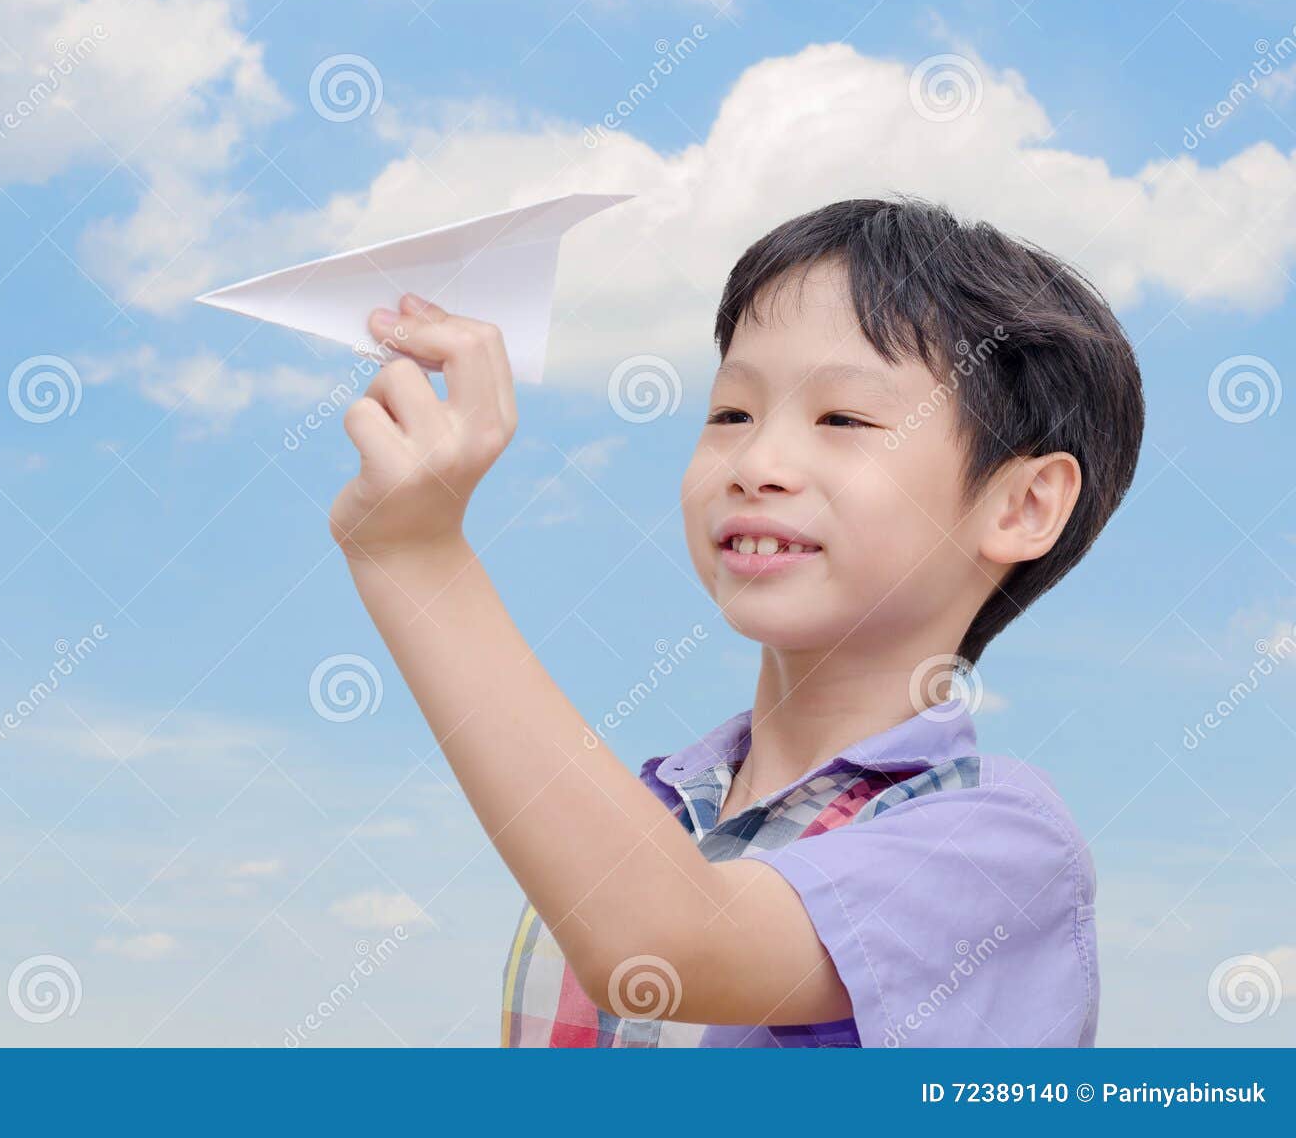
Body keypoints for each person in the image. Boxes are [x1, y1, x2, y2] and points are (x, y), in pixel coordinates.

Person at [328, 197, 1143, 1047]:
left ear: (1024, 503)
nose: (758, 463)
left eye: (844, 420)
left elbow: (667, 945)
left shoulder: (1000, 846)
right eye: (730, 415)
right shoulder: (653, 810)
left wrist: (415, 556)